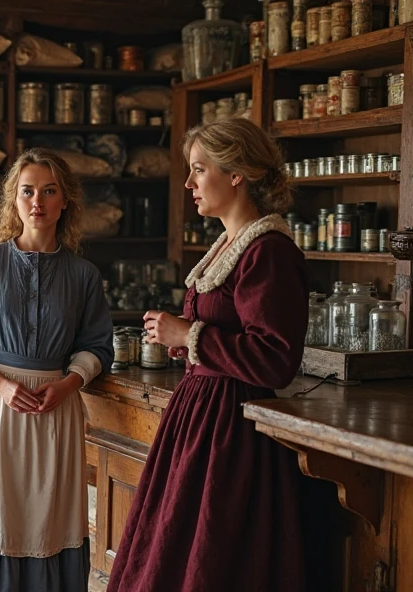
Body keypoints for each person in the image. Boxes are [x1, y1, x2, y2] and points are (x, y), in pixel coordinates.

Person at [107, 117, 309, 591]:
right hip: (201, 416)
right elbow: (224, 336)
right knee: (174, 544)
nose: (189, 183)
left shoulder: (269, 251)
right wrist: (181, 341)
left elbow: (275, 357)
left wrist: (188, 334)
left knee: (213, 555)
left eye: (199, 170)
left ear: (235, 173)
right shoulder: (228, 245)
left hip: (232, 428)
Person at [0, 147, 114, 591]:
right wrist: (1, 384)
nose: (38, 201)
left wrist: (69, 384)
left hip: (55, 412)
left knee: (45, 520)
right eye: (27, 191)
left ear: (64, 200)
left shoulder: (84, 275)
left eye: (49, 191)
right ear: (13, 199)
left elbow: (96, 347)